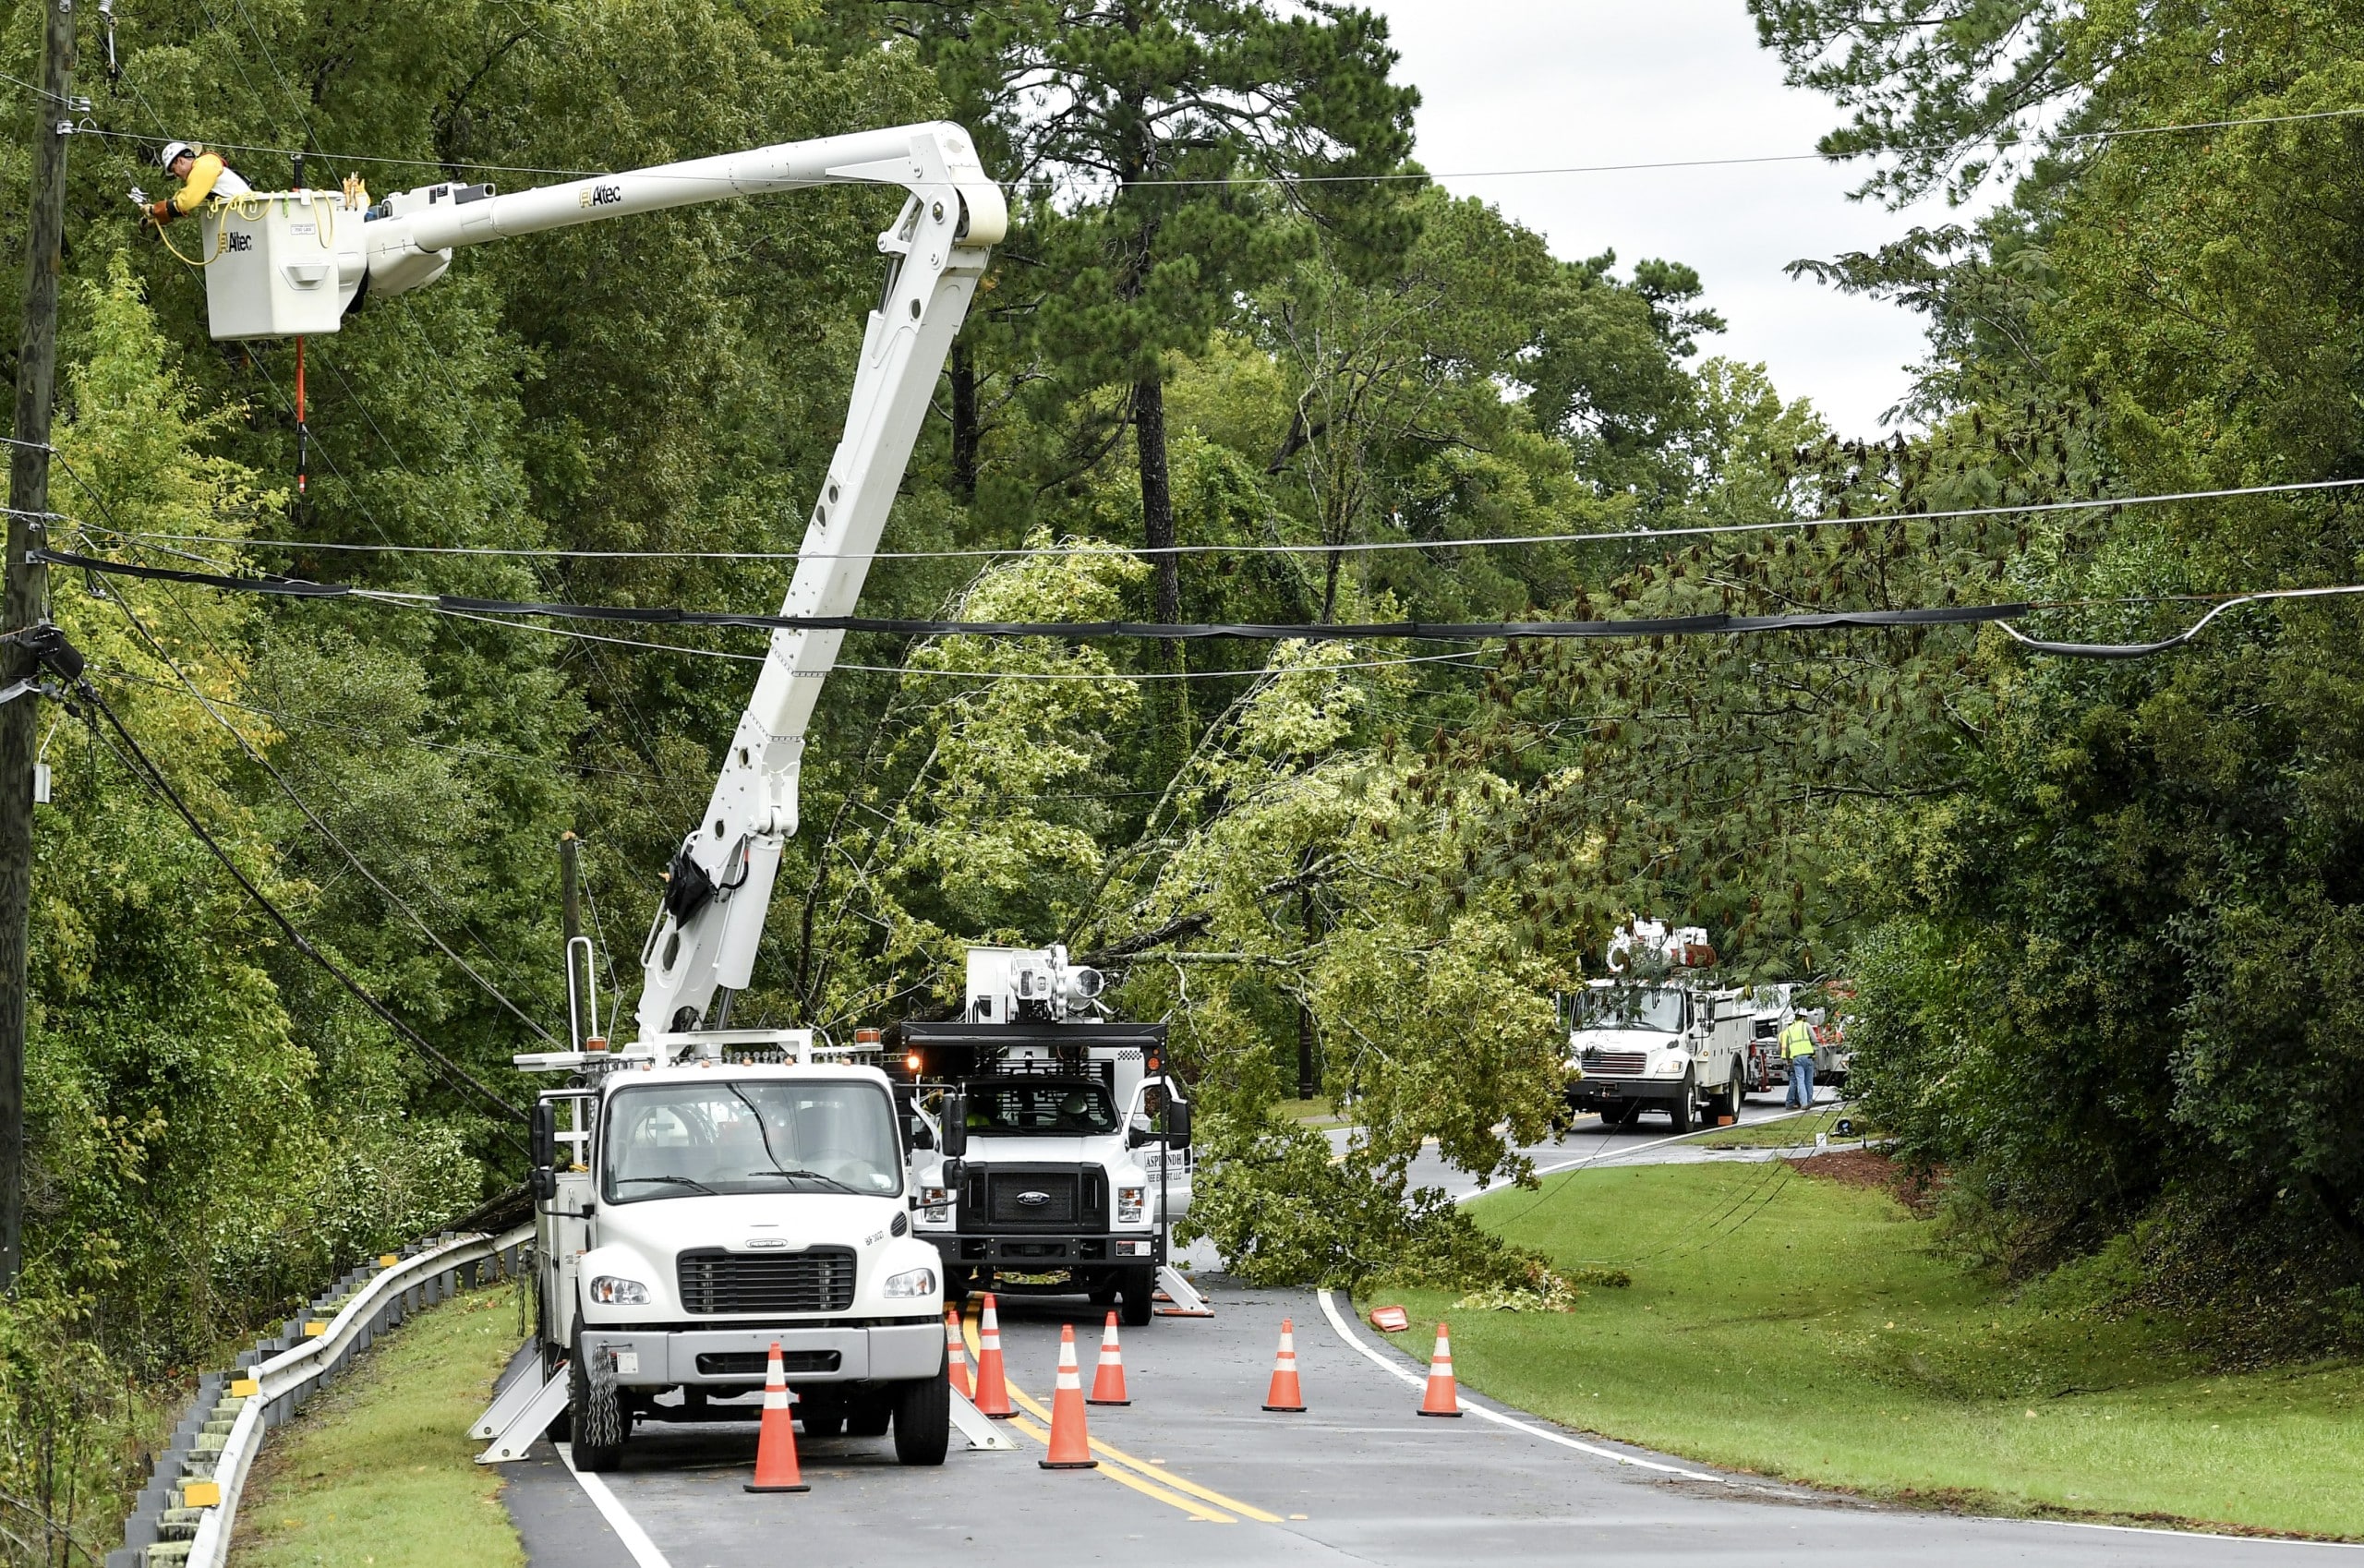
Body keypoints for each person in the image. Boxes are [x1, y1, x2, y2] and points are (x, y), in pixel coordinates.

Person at [145, 140, 250, 225]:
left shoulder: (204, 165)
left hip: (251, 213)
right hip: (243, 217)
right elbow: (182, 199)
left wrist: (155, 209)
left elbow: (186, 202)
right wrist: (155, 218)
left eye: (173, 170)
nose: (176, 175)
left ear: (180, 161)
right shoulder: (200, 177)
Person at [1779, 1010, 1818, 1113]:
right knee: (1809, 1081)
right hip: (1808, 1057)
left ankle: (1804, 1103)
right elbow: (1814, 1039)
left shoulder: (1789, 1029)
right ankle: (1809, 1101)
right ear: (1804, 1017)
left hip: (1796, 1058)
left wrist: (1788, 1058)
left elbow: (1787, 1047)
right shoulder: (1806, 1025)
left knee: (1800, 1081)